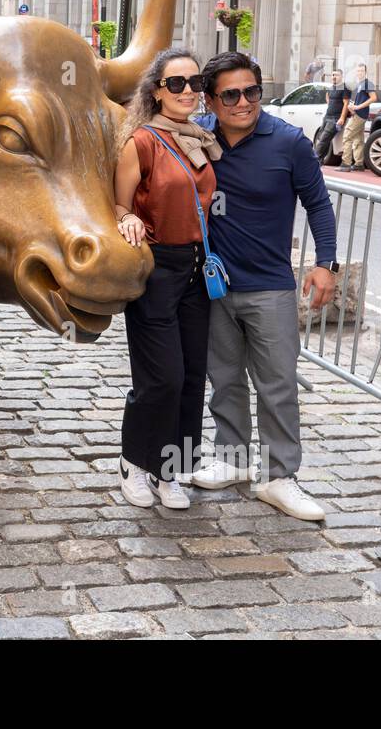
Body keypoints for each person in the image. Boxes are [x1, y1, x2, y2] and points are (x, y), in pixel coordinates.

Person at [189, 51, 338, 521]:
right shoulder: (197, 141)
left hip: (271, 287)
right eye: (230, 94)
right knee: (224, 380)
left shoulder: (289, 142)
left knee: (277, 386)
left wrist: (325, 263)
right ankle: (231, 460)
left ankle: (279, 477)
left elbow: (318, 204)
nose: (243, 103)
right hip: (213, 287)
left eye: (251, 92)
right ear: (211, 100)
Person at [111, 48, 218, 511]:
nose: (188, 91)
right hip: (158, 268)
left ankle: (168, 470)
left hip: (198, 268)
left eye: (195, 83)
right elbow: (117, 203)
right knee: (163, 378)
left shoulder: (201, 139)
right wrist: (125, 219)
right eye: (177, 83)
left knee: (193, 376)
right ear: (156, 90)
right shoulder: (142, 141)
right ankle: (135, 462)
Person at [339, 63, 377, 172]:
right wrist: (352, 107)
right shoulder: (359, 84)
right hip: (357, 114)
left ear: (365, 72)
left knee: (347, 136)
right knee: (358, 140)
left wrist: (358, 107)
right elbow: (357, 101)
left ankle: (345, 164)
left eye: (362, 71)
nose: (359, 72)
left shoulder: (367, 83)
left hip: (360, 115)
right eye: (358, 71)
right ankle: (359, 164)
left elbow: (373, 98)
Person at [312, 67, 348, 160]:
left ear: (341, 76)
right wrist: (330, 105)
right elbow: (328, 97)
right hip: (327, 117)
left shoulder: (344, 88)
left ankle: (314, 160)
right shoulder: (331, 87)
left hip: (335, 118)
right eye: (332, 75)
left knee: (324, 139)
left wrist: (342, 118)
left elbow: (346, 104)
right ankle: (320, 161)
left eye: (336, 75)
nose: (334, 77)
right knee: (321, 139)